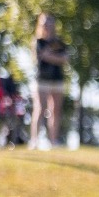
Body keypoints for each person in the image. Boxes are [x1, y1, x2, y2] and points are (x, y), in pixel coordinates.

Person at [29, 13, 67, 150]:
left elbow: (64, 59)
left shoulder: (59, 42)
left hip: (57, 79)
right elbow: (42, 56)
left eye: (50, 22)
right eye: (45, 23)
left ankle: (54, 141)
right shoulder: (38, 42)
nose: (47, 25)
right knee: (40, 108)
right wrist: (55, 57)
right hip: (42, 79)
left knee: (56, 110)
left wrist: (50, 56)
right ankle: (34, 140)